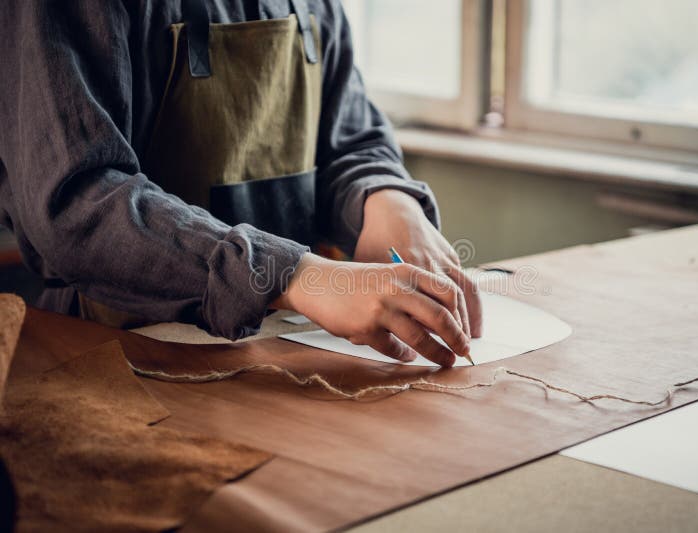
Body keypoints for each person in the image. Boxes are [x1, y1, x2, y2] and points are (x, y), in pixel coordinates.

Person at [0, 0, 482, 367]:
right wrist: (290, 274)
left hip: (283, 349)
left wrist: (385, 199)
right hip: (119, 360)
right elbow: (76, 202)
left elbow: (347, 139)